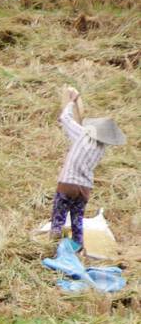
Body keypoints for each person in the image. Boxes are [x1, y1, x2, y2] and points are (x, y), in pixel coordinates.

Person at [50, 86, 124, 251]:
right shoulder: (101, 148)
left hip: (68, 183)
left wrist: (71, 101)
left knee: (58, 219)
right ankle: (77, 250)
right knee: (77, 222)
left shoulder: (83, 135)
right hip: (85, 188)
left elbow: (66, 118)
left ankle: (53, 249)